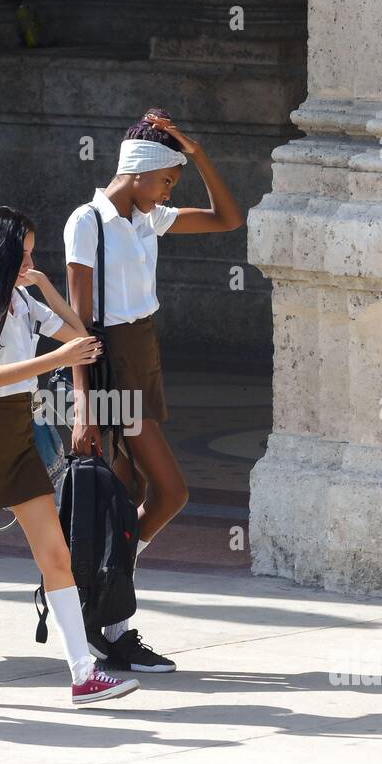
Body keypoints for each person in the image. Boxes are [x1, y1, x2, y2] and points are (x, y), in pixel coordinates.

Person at [0, 206, 140, 707]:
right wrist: (58, 359)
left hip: (20, 434)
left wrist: (45, 286)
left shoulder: (22, 298)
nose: (28, 261)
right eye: (21, 253)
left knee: (55, 556)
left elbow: (80, 334)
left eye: (32, 253)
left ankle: (83, 673)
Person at [63, 108, 243, 673]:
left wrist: (197, 154)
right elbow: (77, 322)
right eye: (165, 180)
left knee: (133, 496)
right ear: (137, 173)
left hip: (143, 354)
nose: (168, 192)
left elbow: (226, 219)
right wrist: (86, 404)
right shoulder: (87, 222)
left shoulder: (149, 218)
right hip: (110, 364)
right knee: (163, 491)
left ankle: (101, 608)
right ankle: (102, 609)